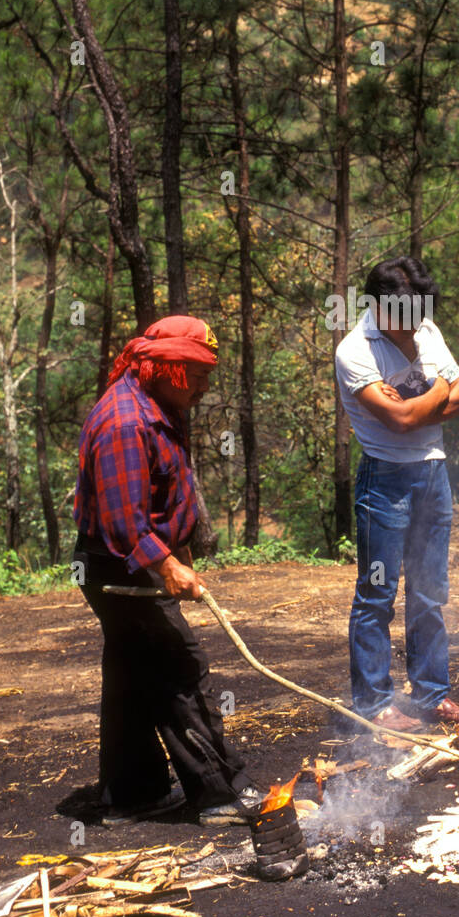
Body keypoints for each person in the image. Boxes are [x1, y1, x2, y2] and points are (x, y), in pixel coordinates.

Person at [73, 315, 263, 829]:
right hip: (121, 569)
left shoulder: (159, 403)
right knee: (181, 666)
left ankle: (133, 794)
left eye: (207, 376)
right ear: (166, 368)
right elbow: (124, 522)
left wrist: (181, 553)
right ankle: (221, 793)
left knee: (133, 676)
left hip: (129, 563)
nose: (204, 388)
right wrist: (166, 563)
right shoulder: (125, 422)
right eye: (197, 376)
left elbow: (163, 496)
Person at [334, 258, 459, 733]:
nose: (416, 324)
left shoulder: (426, 328)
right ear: (376, 306)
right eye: (406, 314)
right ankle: (375, 705)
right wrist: (439, 388)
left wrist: (421, 406)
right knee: (377, 596)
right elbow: (400, 421)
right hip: (385, 480)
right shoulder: (354, 350)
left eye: (422, 311)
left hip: (433, 474)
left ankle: (431, 696)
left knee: (429, 591)